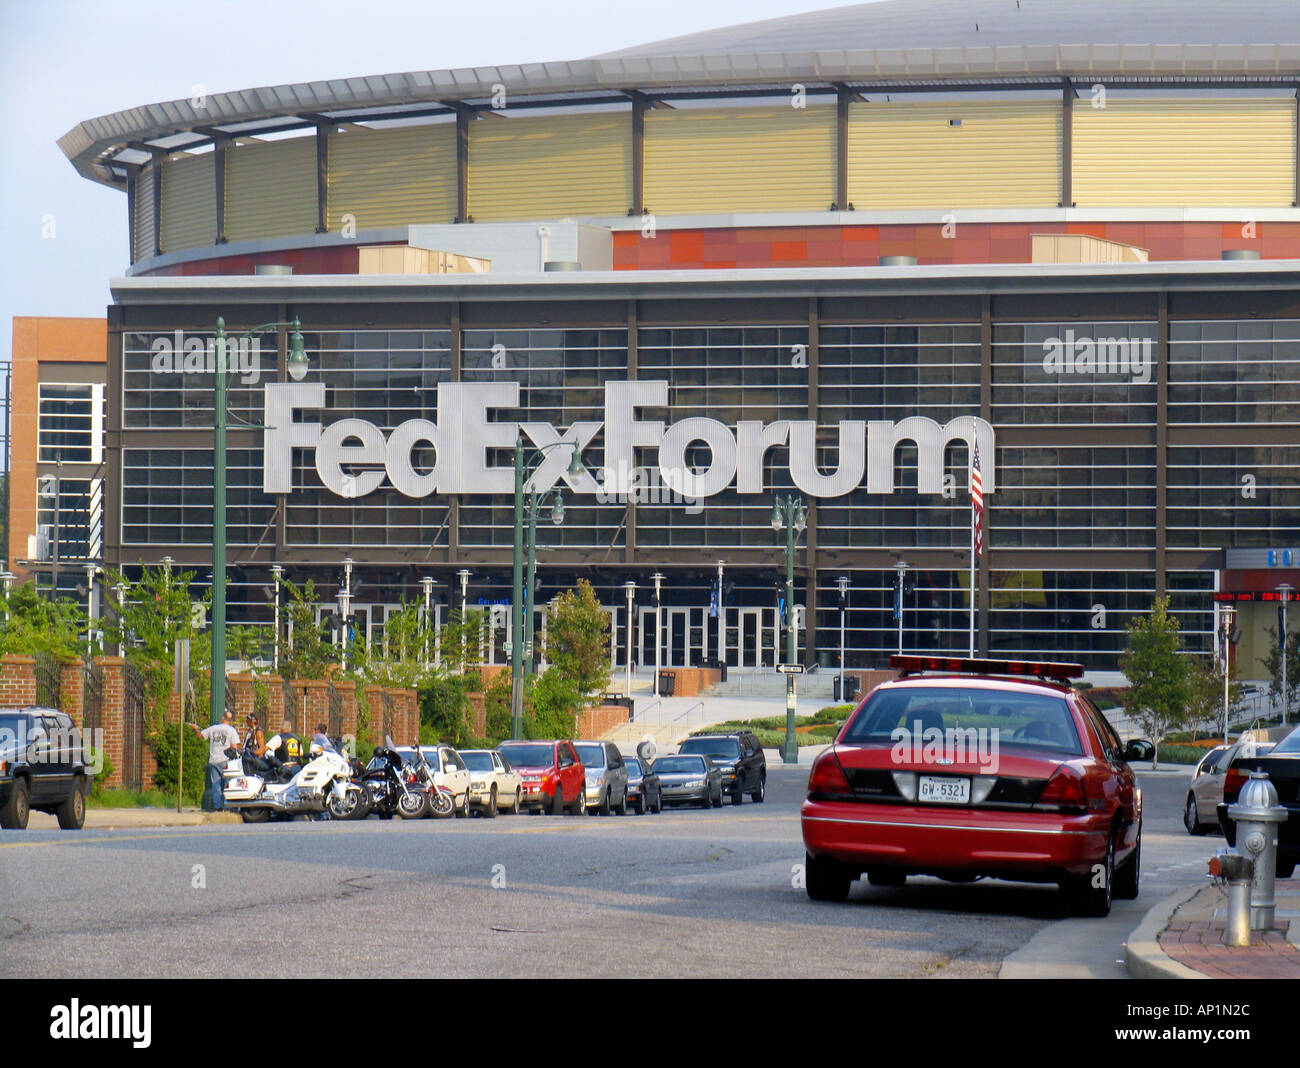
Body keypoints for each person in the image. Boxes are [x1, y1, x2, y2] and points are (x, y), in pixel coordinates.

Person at [193, 710, 240, 811]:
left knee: (215, 784)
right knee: (229, 783)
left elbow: (200, 735)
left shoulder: (213, 728)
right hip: (226, 760)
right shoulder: (231, 730)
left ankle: (217, 807)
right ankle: (229, 805)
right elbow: (234, 747)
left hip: (214, 760)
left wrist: (195, 729)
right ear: (230, 720)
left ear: (222, 718)